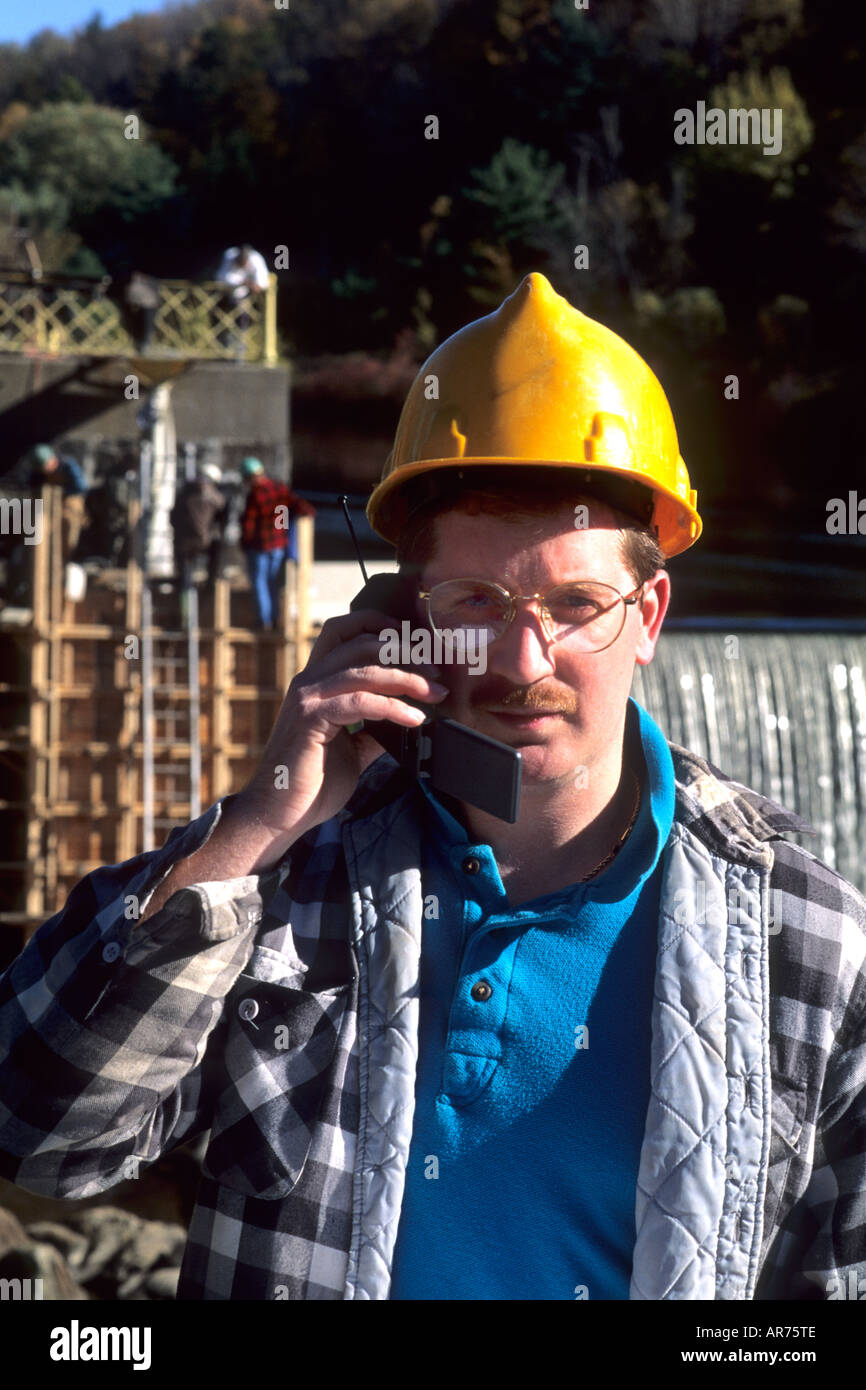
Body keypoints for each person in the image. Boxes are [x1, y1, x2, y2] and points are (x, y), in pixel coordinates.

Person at [0, 273, 863, 1302]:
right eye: (473, 600)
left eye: (577, 603)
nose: (520, 655)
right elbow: (43, 1136)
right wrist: (261, 818)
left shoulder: (802, 941)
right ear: (398, 612)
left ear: (650, 614)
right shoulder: (284, 884)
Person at [239, 456, 314, 630]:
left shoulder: (254, 495)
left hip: (260, 547)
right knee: (272, 582)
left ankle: (264, 620)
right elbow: (298, 504)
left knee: (259, 582)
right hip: (279, 545)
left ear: (249, 477)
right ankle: (275, 618)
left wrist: (244, 543)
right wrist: (307, 513)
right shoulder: (279, 488)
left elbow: (249, 524)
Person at [170, 463, 228, 592]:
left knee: (185, 577)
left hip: (182, 543)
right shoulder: (215, 497)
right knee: (218, 549)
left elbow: (173, 517)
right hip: (204, 541)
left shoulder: (183, 493)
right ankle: (211, 584)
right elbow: (223, 518)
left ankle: (184, 599)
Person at [215, 244, 270, 356]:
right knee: (224, 323)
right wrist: (244, 283)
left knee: (243, 322)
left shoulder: (256, 259)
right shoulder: (229, 256)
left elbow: (263, 282)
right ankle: (225, 349)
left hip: (247, 298)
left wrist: (252, 285)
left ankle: (240, 352)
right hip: (227, 297)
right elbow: (221, 278)